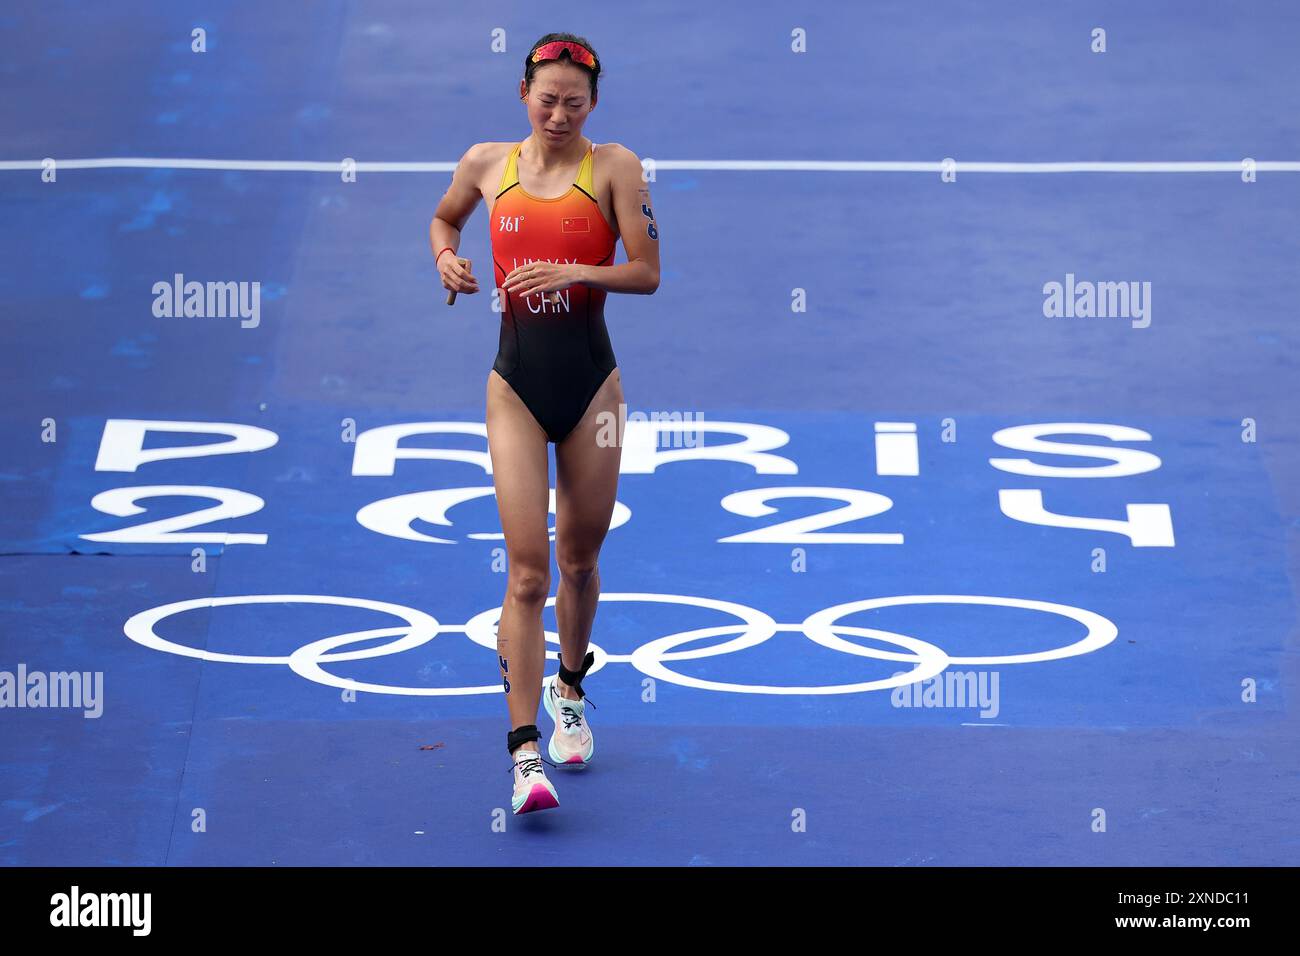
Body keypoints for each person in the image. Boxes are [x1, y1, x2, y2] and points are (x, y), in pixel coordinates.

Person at [429, 33, 661, 814]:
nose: (559, 113)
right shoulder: (486, 164)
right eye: (547, 98)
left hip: (593, 390)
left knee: (580, 563)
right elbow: (444, 219)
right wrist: (444, 258)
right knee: (527, 571)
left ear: (593, 104)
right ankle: (525, 755)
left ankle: (569, 686)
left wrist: (577, 270)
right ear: (522, 92)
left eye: (575, 102)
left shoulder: (616, 169)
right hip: (515, 386)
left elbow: (649, 272)